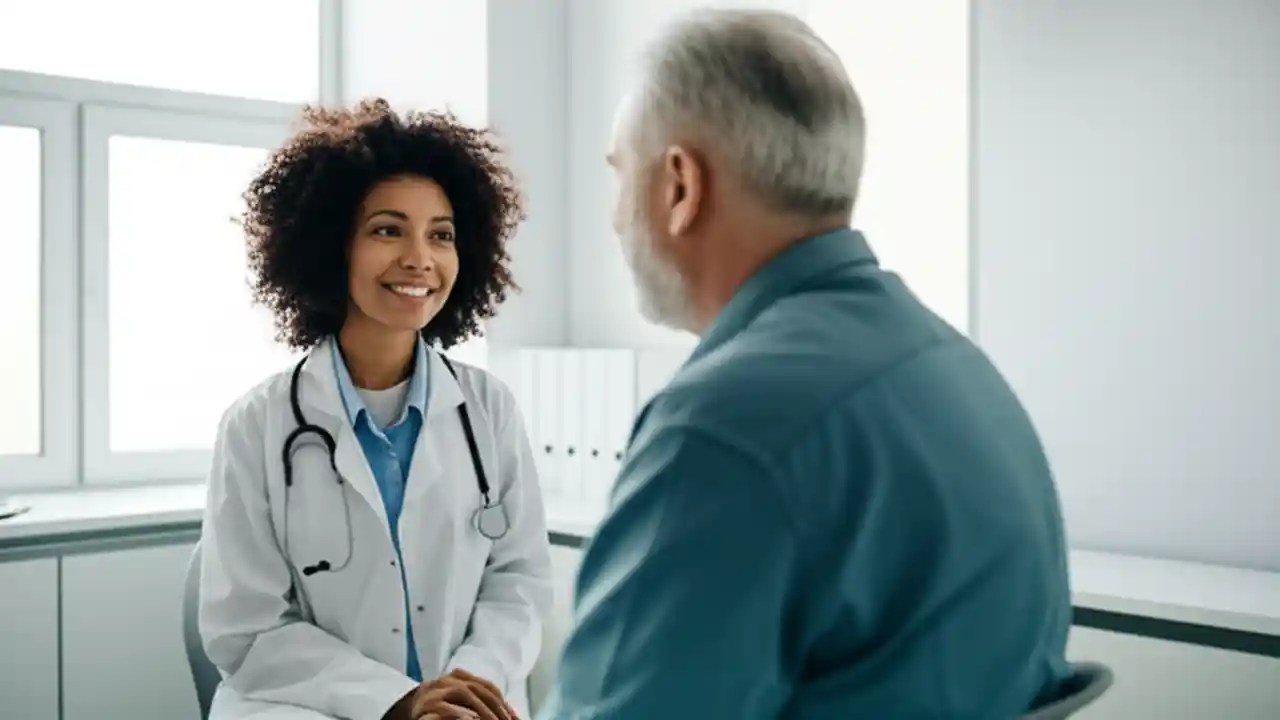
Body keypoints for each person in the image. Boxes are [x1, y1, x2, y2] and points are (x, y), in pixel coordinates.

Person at [539, 9, 1072, 719]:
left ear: (679, 186)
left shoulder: (723, 431)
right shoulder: (958, 370)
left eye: (618, 175)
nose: (613, 216)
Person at [200, 99, 552, 720]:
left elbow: (519, 583)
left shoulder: (488, 408)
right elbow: (246, 629)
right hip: (310, 707)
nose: (419, 258)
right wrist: (396, 701)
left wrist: (467, 686)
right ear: (331, 247)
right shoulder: (257, 425)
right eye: (388, 229)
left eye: (441, 234)